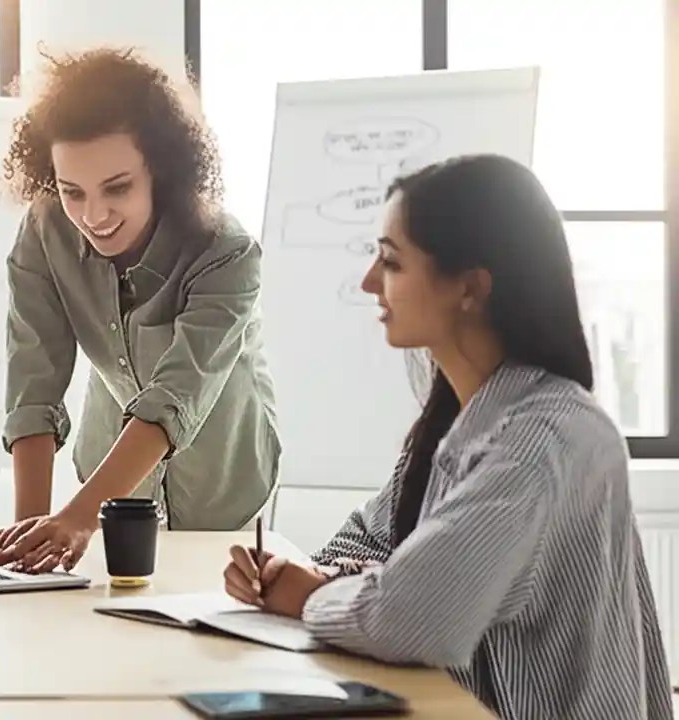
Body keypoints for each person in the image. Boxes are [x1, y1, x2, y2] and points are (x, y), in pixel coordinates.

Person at [222, 154, 673, 719]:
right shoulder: (461, 419)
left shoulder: (546, 438)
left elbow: (411, 619)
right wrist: (297, 577)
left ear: (469, 288)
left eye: (390, 262)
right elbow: (367, 541)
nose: (368, 283)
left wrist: (308, 594)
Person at [0, 47, 280, 573]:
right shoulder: (43, 234)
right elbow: (33, 382)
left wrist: (80, 515)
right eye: (72, 191)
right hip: (106, 482)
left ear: (162, 169)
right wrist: (27, 533)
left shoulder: (227, 251)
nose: (94, 215)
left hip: (226, 488)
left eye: (118, 188)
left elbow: (175, 395)